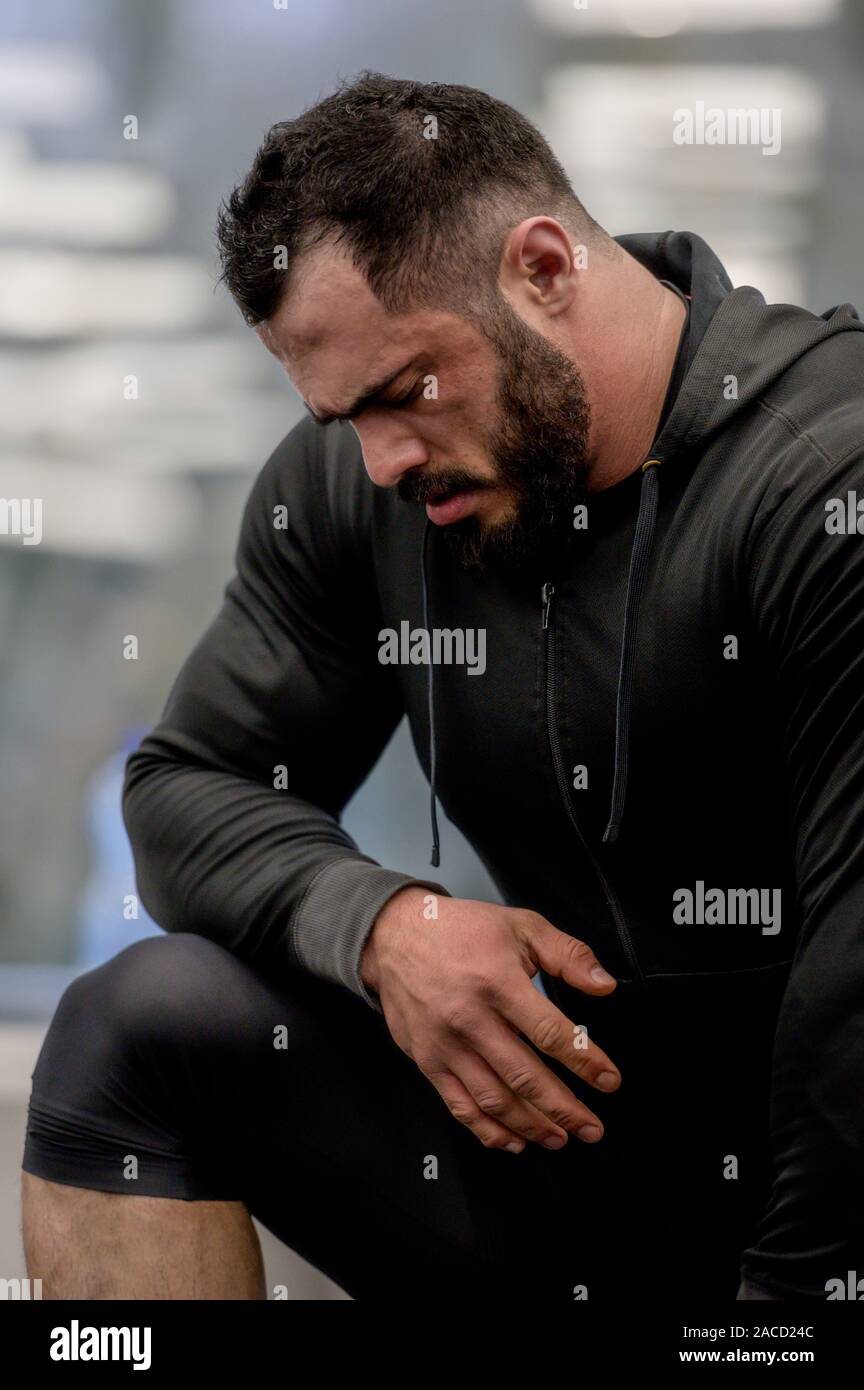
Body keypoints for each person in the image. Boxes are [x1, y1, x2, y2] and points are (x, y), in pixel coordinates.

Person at [21, 72, 864, 1301]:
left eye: (400, 390)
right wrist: (381, 926)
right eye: (337, 416)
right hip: (582, 1149)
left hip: (825, 1209)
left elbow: (854, 1029)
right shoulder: (375, 486)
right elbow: (188, 788)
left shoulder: (822, 484)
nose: (379, 460)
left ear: (542, 268)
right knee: (141, 1028)